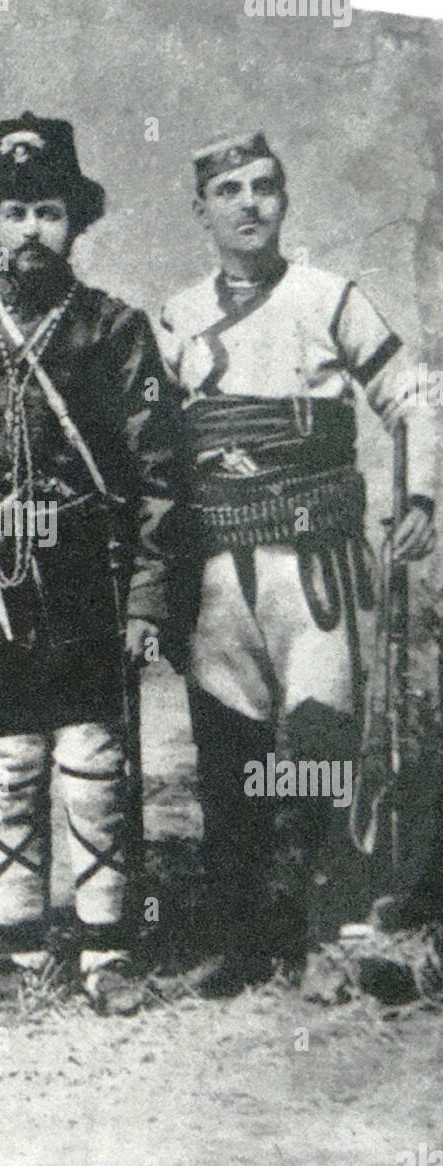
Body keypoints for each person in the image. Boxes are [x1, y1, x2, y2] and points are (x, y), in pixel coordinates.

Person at [156, 131, 436, 995]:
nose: (249, 204)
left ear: (284, 199)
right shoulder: (175, 318)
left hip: (315, 566)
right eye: (229, 190)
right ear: (200, 210)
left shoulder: (330, 298)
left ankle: (329, 934)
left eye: (265, 186)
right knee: (231, 750)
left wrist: (419, 498)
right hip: (215, 569)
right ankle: (241, 938)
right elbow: (153, 445)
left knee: (318, 742)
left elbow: (413, 395)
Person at [0, 112, 176, 1014]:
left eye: (50, 211)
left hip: (86, 587)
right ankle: (25, 958)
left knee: (95, 767)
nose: (32, 230)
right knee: (8, 768)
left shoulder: (113, 329)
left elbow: (157, 474)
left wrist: (145, 597)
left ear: (76, 223)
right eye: (16, 211)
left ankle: (108, 956)